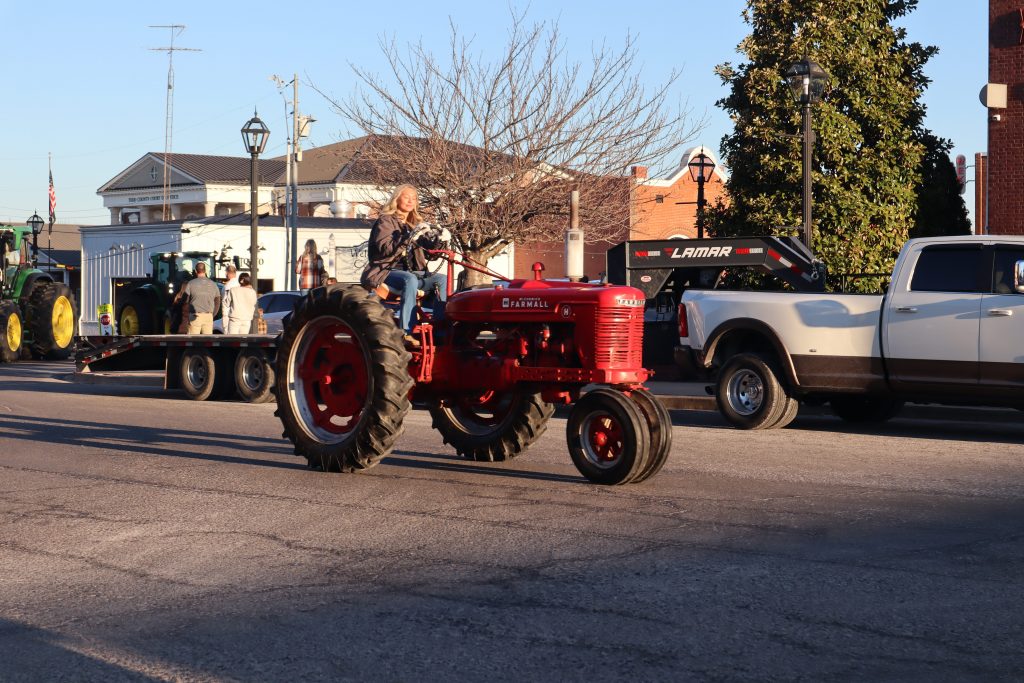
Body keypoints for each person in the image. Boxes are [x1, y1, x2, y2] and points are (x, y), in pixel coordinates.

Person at [360, 184, 447, 345]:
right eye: (406, 197)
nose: (410, 201)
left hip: (413, 273)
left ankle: (441, 330)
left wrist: (439, 241)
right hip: (385, 272)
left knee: (442, 279)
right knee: (409, 279)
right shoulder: (385, 221)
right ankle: (406, 331)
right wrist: (409, 237)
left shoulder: (417, 223)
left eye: (414, 198)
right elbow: (385, 249)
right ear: (397, 198)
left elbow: (430, 255)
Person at [183, 262, 221, 334]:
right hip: (208, 316)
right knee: (208, 341)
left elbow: (185, 300)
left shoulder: (190, 283)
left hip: (195, 316)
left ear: (195, 271)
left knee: (193, 341)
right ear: (205, 270)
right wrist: (212, 314)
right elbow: (218, 301)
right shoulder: (213, 284)